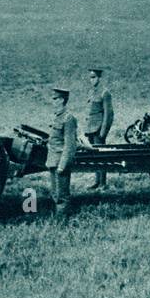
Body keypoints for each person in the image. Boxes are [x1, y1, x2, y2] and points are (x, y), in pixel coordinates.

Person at [46, 86, 78, 218]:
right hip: (53, 160)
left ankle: (62, 221)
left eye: (55, 98)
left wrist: (62, 165)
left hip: (60, 161)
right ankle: (58, 218)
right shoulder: (57, 117)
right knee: (55, 193)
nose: (53, 101)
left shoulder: (68, 118)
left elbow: (70, 145)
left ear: (62, 100)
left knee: (62, 195)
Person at [82, 67, 113, 189]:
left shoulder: (105, 93)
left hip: (98, 129)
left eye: (94, 77)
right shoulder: (91, 92)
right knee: (94, 156)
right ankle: (97, 181)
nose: (92, 80)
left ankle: (103, 183)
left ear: (99, 78)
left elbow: (108, 114)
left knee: (101, 156)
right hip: (90, 128)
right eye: (90, 77)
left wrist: (103, 132)